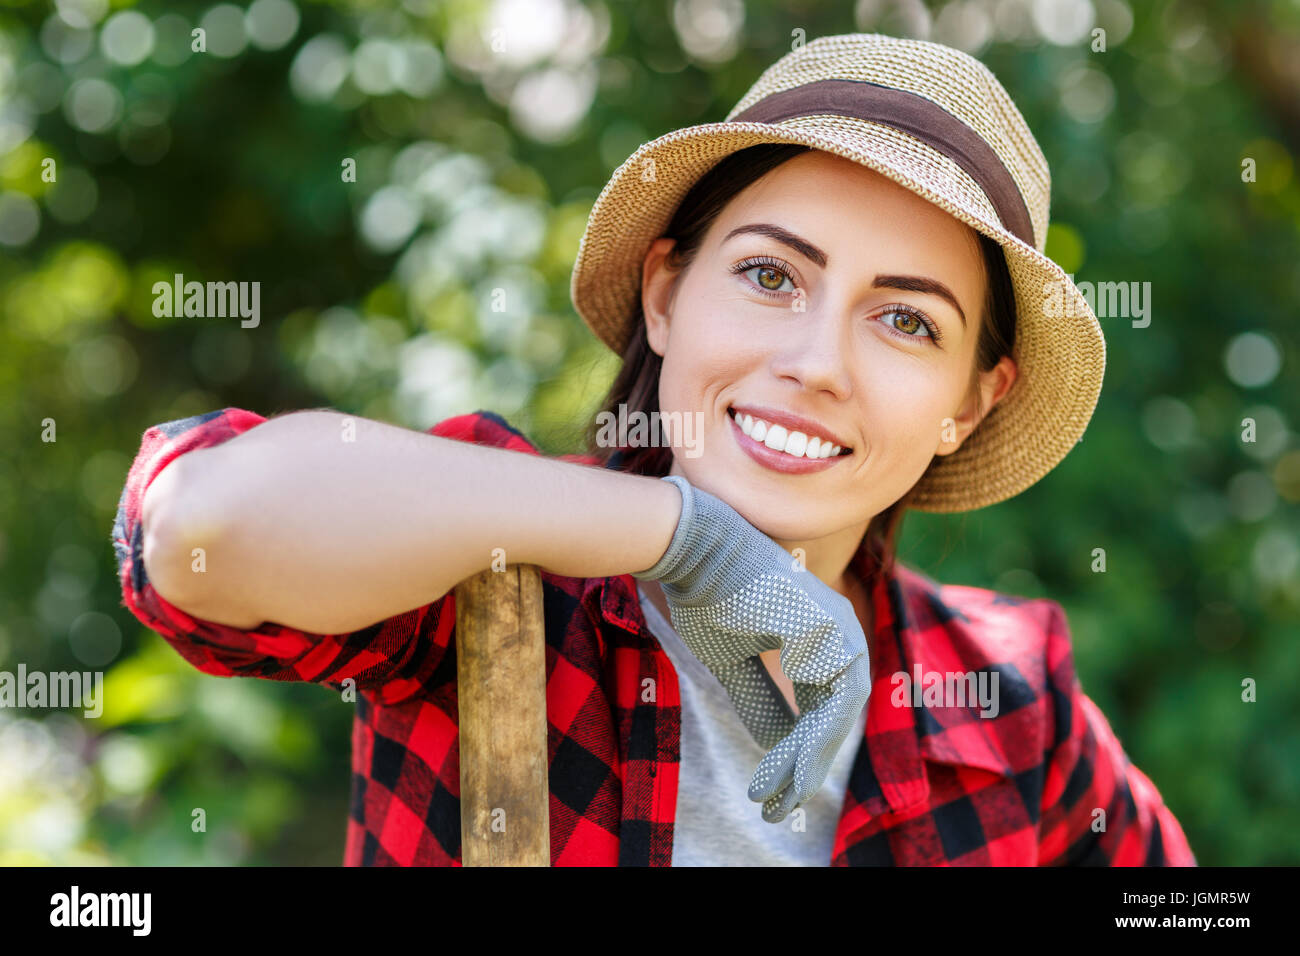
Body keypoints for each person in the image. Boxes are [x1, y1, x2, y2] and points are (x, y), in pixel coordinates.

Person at [113, 33, 1196, 866]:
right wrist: (689, 542)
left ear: (971, 400)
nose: (818, 363)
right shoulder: (494, 563)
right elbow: (196, 529)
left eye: (904, 319)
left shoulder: (1007, 698)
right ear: (667, 295)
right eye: (771, 275)